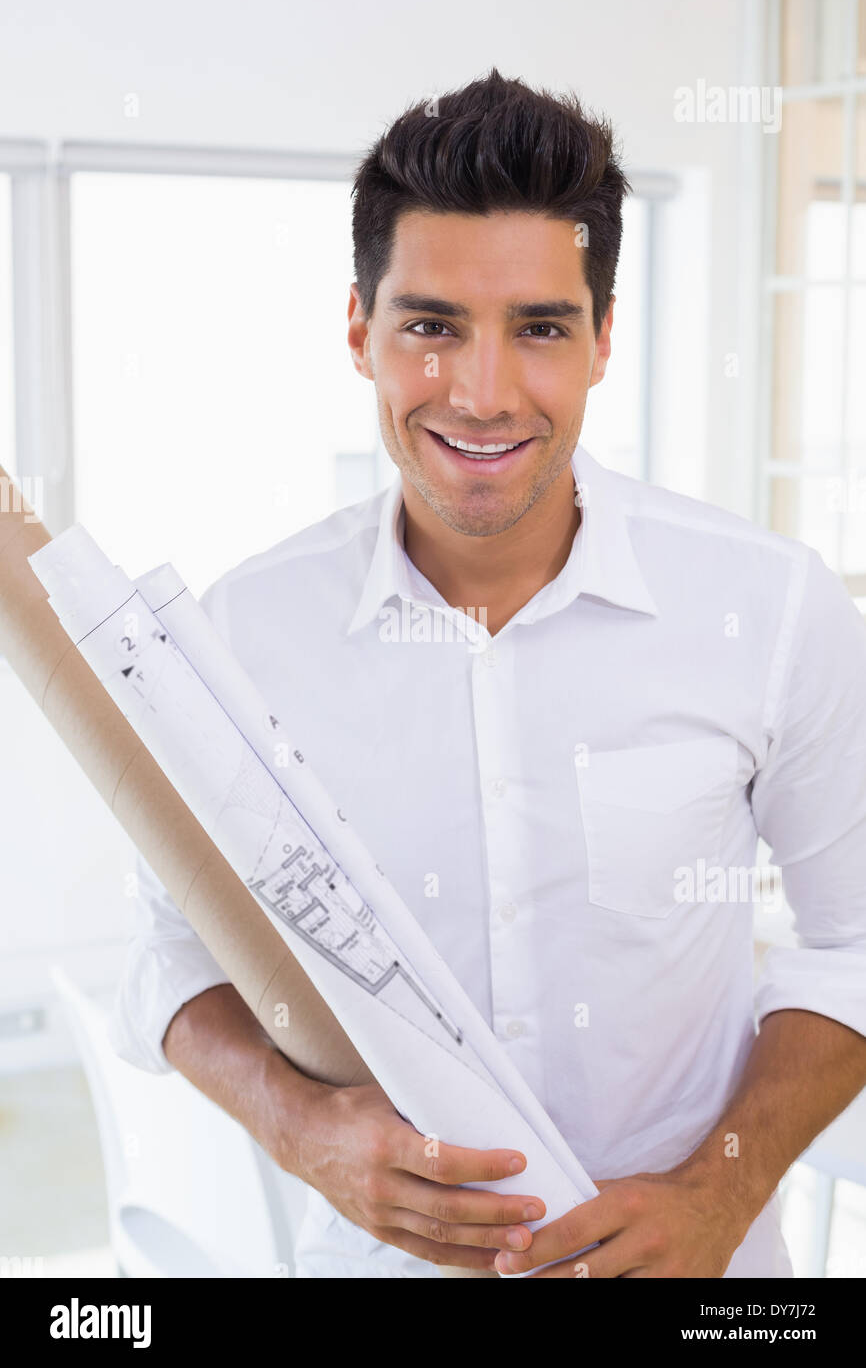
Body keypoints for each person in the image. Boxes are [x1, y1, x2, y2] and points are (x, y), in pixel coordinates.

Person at [110, 67, 866, 1278]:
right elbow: (170, 955)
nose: (481, 392)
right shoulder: (241, 637)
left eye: (540, 328)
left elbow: (851, 944)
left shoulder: (770, 608)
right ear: (358, 331)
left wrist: (718, 1189)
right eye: (430, 325)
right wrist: (303, 1133)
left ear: (603, 339)